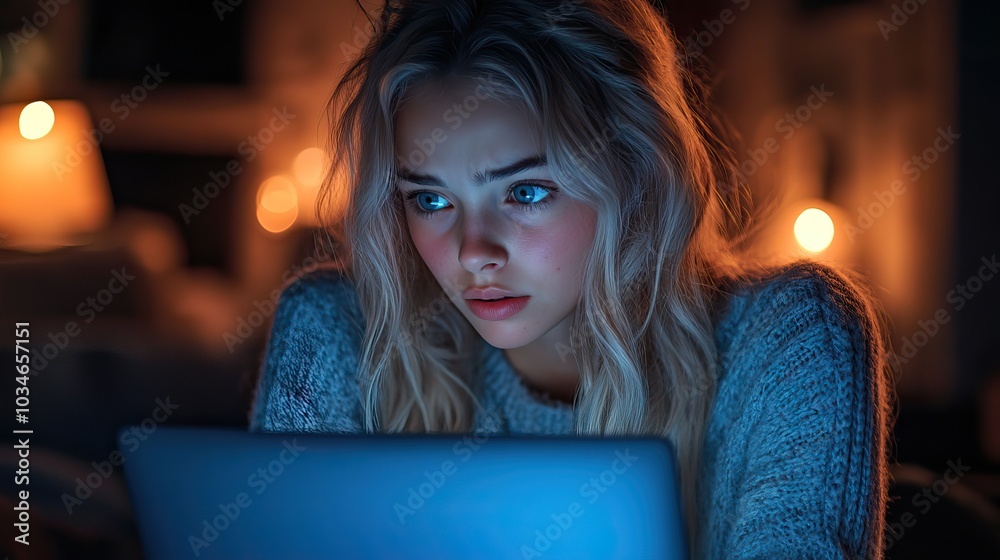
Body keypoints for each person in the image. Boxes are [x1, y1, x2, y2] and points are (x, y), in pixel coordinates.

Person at [248, 0, 895, 557]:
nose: (474, 252)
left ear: (634, 171)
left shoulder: (791, 339)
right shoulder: (336, 331)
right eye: (430, 199)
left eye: (526, 192)